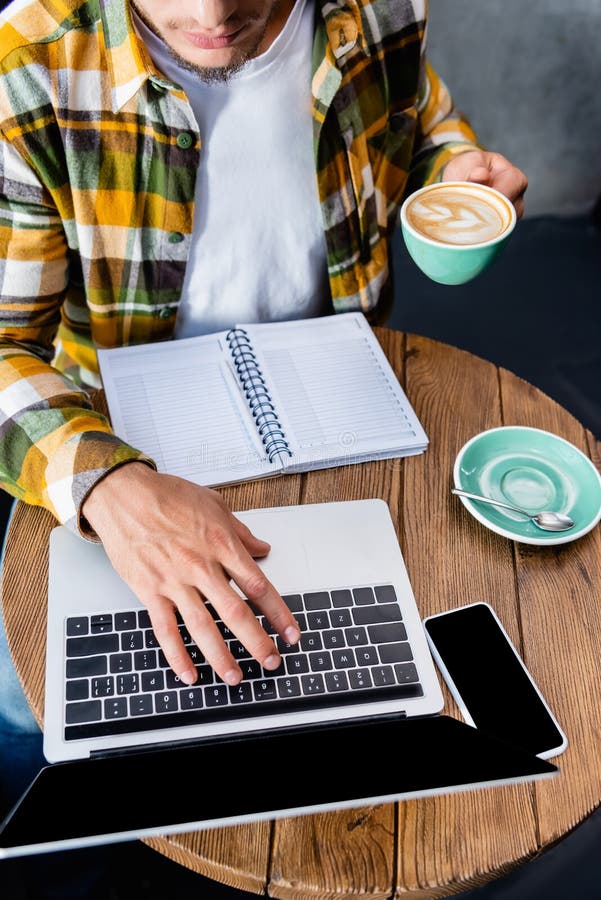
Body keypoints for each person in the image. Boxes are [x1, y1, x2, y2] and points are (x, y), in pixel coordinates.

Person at [0, 0, 527, 795]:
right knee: (27, 707)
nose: (212, 13)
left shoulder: (382, 11)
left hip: (335, 411)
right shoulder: (28, 65)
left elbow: (420, 121)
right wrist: (110, 483)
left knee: (381, 694)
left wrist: (455, 168)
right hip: (114, 444)